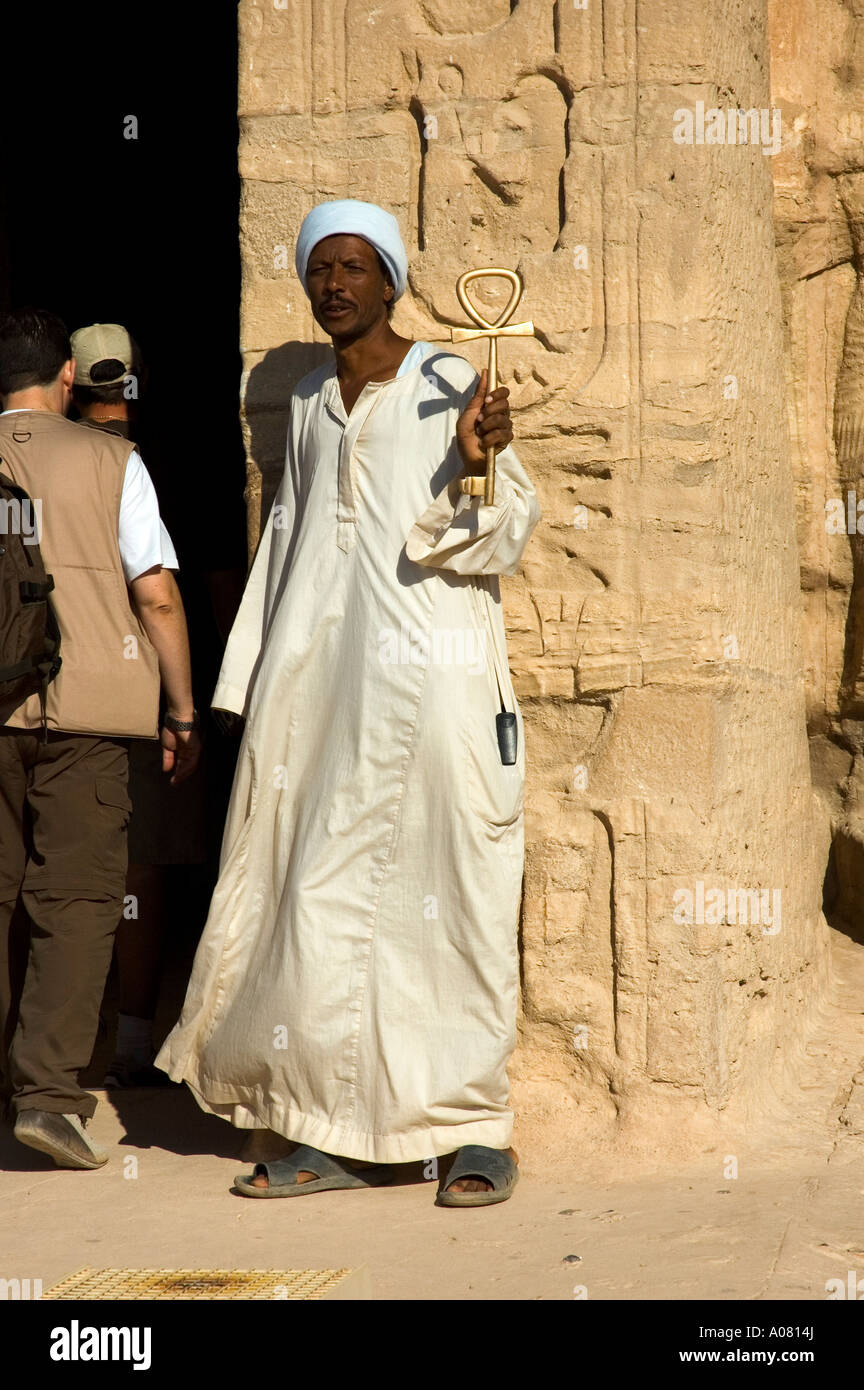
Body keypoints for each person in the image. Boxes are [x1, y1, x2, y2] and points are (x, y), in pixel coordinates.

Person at [156, 200, 540, 1207]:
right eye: (320, 268)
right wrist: (253, 688)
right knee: (317, 905)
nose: (334, 284)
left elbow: (504, 531)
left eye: (354, 267)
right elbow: (291, 548)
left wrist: (478, 465)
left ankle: (473, 1132)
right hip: (330, 700)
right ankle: (327, 1131)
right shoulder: (311, 405)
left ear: (391, 280)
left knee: (451, 899)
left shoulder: (449, 382)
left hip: (439, 691)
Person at [0, 308, 201, 1169]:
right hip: (87, 712)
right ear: (66, 376)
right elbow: (155, 593)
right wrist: (182, 709)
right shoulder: (114, 461)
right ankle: (48, 1096)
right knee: (78, 902)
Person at [70, 322, 207, 1087]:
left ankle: (43, 1048)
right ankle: (128, 1044)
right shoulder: (147, 466)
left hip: (53, 690)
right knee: (140, 867)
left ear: (69, 381)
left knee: (50, 867)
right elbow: (170, 595)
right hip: (141, 692)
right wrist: (190, 707)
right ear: (139, 379)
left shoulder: (35, 464)